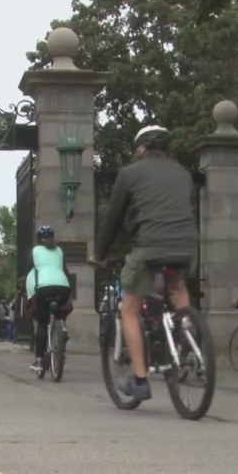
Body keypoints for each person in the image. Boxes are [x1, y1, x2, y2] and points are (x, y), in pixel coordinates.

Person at [89, 125, 200, 401]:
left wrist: (99, 254)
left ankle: (140, 379)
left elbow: (113, 218)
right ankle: (187, 335)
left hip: (149, 246)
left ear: (142, 147)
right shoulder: (183, 173)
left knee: (129, 308)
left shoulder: (130, 173)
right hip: (186, 245)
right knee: (176, 285)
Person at [30, 225, 73, 373]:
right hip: (63, 287)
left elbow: (32, 271)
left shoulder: (35, 251)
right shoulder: (60, 251)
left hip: (44, 288)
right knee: (58, 311)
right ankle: (62, 331)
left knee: (42, 324)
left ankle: (39, 360)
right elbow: (64, 269)